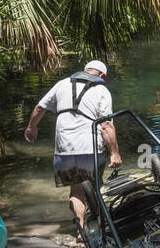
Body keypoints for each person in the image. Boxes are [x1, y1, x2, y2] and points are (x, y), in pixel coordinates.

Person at [24, 61, 123, 230]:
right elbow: (106, 125)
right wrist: (114, 152)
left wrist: (31, 127)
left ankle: (80, 230)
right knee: (95, 188)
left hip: (64, 150)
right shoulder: (101, 90)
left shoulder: (62, 84)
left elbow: (40, 107)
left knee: (76, 191)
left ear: (85, 71)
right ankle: (101, 229)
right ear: (102, 76)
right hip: (90, 148)